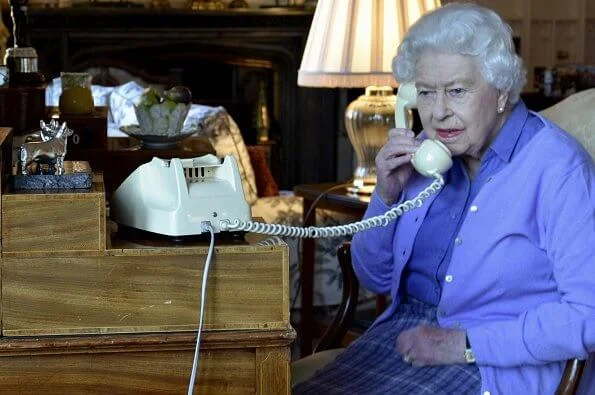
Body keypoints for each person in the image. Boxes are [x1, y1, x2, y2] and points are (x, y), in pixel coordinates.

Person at [293, 3, 595, 394]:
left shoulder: (559, 168)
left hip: (494, 363)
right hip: (402, 340)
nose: (438, 113)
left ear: (502, 90)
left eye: (456, 91)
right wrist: (386, 194)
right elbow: (374, 277)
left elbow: (587, 315)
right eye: (425, 92)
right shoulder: (426, 156)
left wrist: (463, 344)